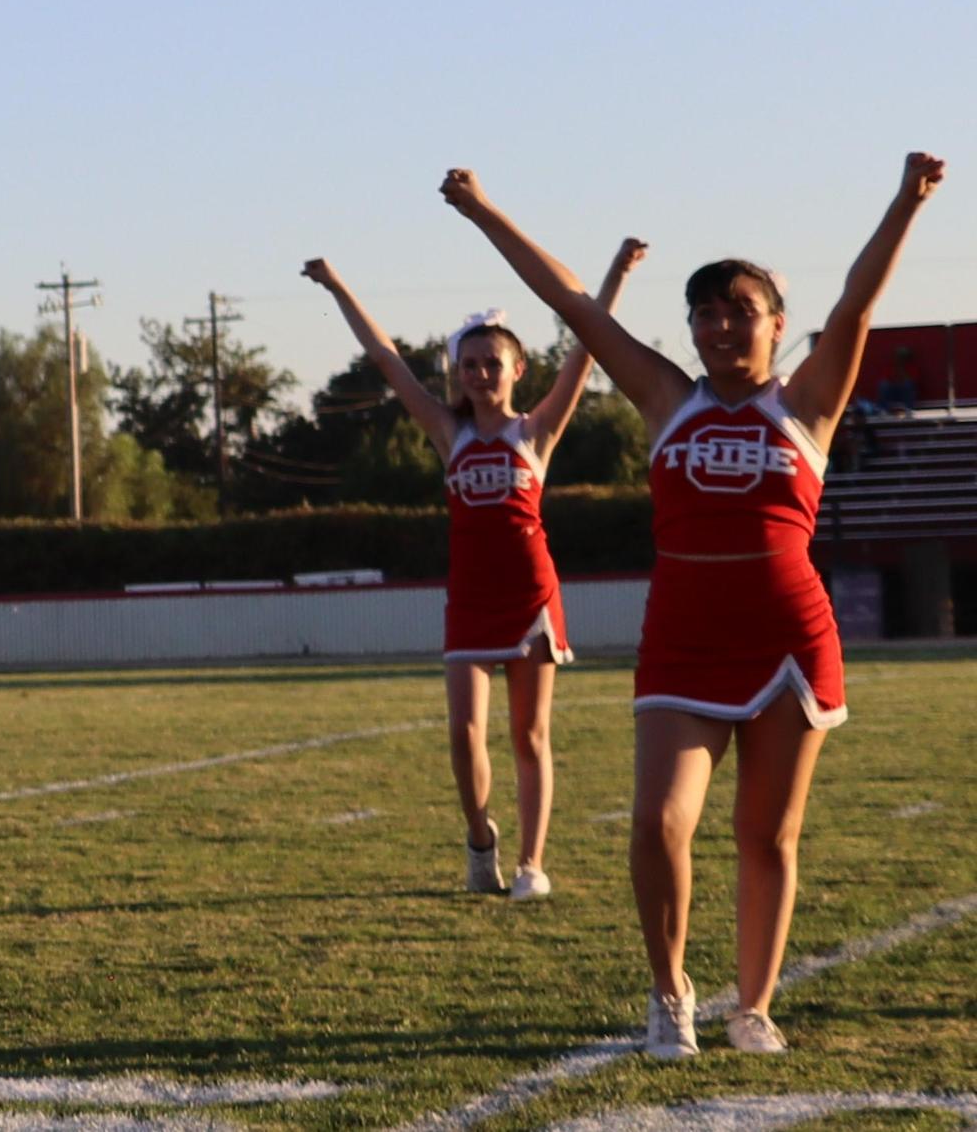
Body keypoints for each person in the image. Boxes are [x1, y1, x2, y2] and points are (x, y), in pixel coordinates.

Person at [442, 152, 947, 1058]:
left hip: (788, 639)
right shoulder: (665, 397)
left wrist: (906, 202)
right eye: (704, 313)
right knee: (658, 821)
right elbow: (573, 304)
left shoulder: (808, 404)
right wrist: (483, 212)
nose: (719, 326)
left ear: (776, 324)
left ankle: (753, 1005)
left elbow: (856, 307)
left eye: (738, 310)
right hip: (682, 638)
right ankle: (670, 992)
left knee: (768, 835)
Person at [303, 242, 643, 902]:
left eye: (493, 363)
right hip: (470, 600)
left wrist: (617, 275)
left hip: (531, 596)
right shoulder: (447, 432)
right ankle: (480, 840)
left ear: (517, 368)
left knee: (530, 734)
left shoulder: (535, 431)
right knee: (463, 736)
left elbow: (585, 349)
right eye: (470, 364)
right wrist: (337, 285)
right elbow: (387, 359)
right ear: (457, 373)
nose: (482, 373)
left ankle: (532, 863)